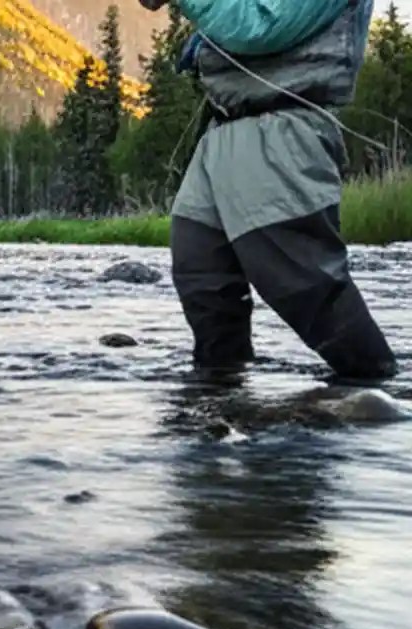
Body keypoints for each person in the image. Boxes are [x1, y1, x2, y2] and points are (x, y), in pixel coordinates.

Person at [140, 0, 400, 381]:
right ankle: (217, 408)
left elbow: (259, 27)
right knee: (203, 274)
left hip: (282, 131)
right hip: (225, 130)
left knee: (308, 290)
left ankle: (379, 393)